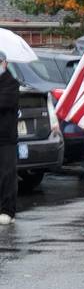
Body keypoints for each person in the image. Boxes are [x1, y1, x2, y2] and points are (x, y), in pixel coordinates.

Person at [0, 51, 18, 225]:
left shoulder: (11, 82)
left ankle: (8, 210)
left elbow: (4, 103)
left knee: (7, 174)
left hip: (6, 138)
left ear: (5, 63)